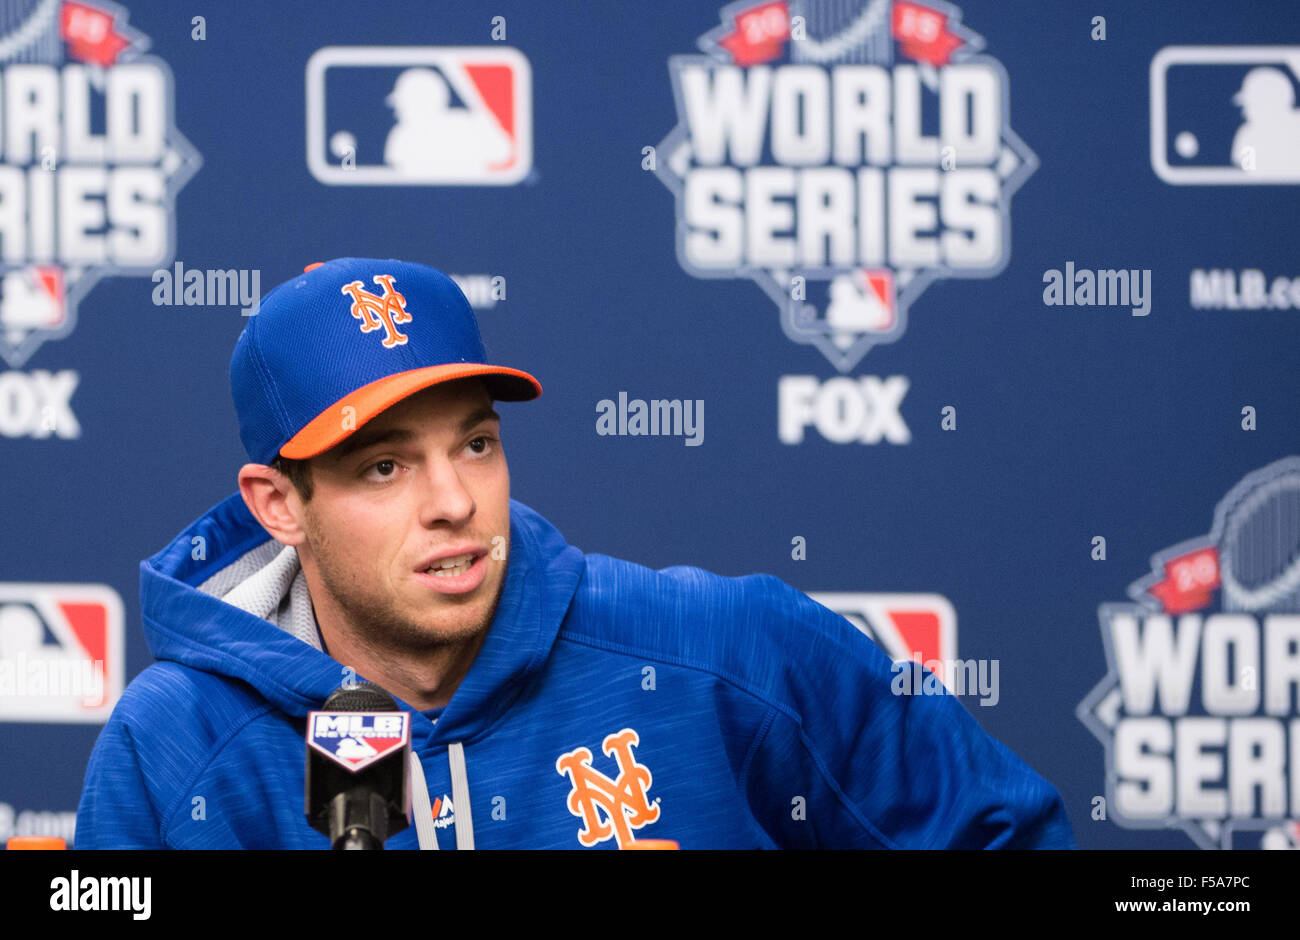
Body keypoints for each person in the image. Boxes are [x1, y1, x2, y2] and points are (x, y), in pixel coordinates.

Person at [75, 257, 1076, 849]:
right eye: (384, 468)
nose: (455, 502)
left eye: (475, 442)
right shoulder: (174, 748)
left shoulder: (725, 652)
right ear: (278, 505)